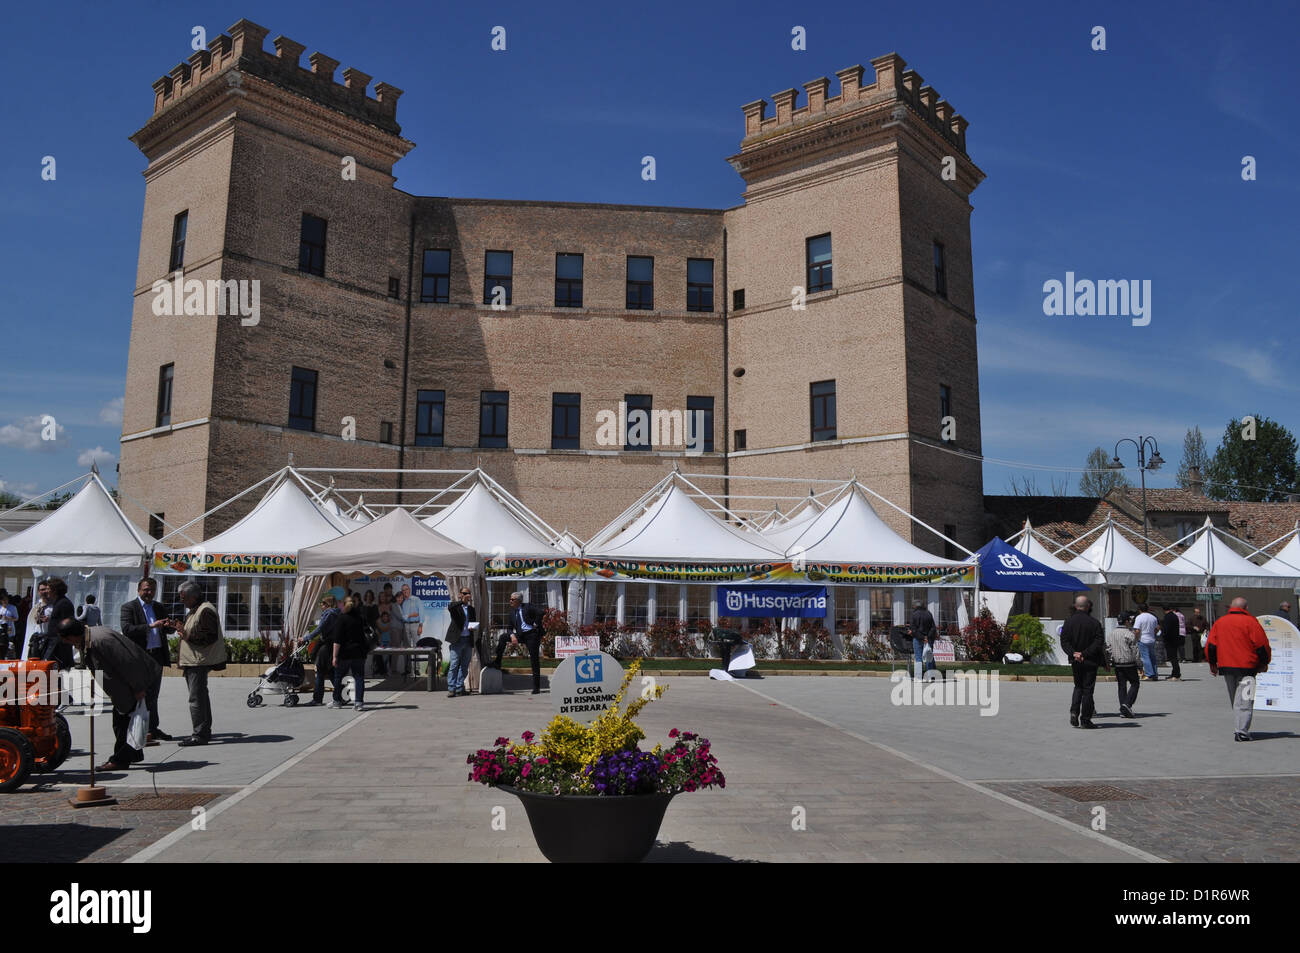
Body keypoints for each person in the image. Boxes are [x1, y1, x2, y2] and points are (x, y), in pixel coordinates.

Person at [57, 617, 161, 771]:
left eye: (65, 639)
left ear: (72, 636)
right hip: (126, 686)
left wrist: (139, 688)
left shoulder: (100, 640)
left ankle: (119, 760)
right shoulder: (88, 639)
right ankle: (134, 754)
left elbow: (127, 663)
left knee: (124, 723)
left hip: (141, 681)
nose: (65, 642)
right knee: (123, 721)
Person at [1207, 597, 1272, 742]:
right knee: (1245, 700)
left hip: (1226, 667)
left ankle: (1239, 728)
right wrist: (1264, 662)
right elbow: (1262, 645)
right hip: (1247, 668)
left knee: (1235, 700)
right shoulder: (1251, 622)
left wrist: (1212, 664)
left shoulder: (1220, 622)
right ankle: (1241, 731)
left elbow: (1211, 645)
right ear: (1246, 608)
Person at [120, 578, 177, 741]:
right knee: (140, 694)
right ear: (139, 590)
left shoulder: (158, 607)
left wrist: (170, 626)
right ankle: (138, 729)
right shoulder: (129, 607)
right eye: (146, 589)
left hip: (156, 656)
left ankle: (153, 728)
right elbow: (127, 629)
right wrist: (150, 626)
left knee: (154, 694)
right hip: (139, 657)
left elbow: (166, 631)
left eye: (152, 590)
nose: (149, 593)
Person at [175, 580, 227, 746]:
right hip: (193, 661)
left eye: (183, 597)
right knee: (200, 697)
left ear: (193, 596)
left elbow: (208, 637)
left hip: (198, 662)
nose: (181, 600)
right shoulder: (196, 610)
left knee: (196, 699)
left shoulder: (205, 610)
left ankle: (200, 733)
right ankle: (203, 730)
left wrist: (186, 634)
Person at [1059, 595, 1105, 728]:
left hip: (1075, 660)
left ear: (1075, 606)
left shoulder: (1068, 622)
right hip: (1090, 660)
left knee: (1078, 686)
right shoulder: (1094, 623)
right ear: (1088, 606)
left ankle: (1074, 711)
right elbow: (1098, 642)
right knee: (1088, 690)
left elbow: (1064, 641)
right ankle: (1085, 719)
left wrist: (1074, 653)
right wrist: (1085, 653)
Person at [495, 591, 544, 694]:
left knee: (534, 660)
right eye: (510, 599)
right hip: (521, 635)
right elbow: (509, 628)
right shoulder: (512, 612)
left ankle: (536, 687)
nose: (510, 601)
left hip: (531, 635)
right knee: (503, 637)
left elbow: (541, 612)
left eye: (512, 599)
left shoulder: (527, 607)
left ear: (518, 600)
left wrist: (535, 623)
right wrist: (512, 635)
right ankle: (497, 662)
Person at [331, 595, 369, 711]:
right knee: (359, 677)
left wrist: (334, 656)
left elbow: (337, 640)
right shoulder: (360, 618)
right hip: (358, 652)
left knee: (338, 676)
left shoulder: (341, 618)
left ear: (344, 604)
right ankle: (358, 703)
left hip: (344, 653)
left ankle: (337, 701)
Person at [307, 595, 342, 706]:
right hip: (332, 644)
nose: (321, 605)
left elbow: (320, 628)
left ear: (327, 604)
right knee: (330, 672)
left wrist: (306, 638)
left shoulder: (329, 614)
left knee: (321, 671)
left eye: (322, 603)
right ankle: (342, 695)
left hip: (327, 645)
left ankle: (317, 699)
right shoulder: (337, 613)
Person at [1106, 611, 1141, 718]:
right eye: (1129, 621)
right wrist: (1140, 664)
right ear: (1126, 621)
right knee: (1135, 683)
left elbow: (1109, 649)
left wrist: (1109, 661)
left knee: (1121, 685)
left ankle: (1123, 708)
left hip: (1117, 663)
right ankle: (1127, 704)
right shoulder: (1129, 634)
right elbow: (1135, 650)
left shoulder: (1111, 634)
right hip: (1129, 663)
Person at [445, 586, 477, 697]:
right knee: (454, 665)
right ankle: (451, 688)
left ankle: (459, 687)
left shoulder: (471, 609)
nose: (466, 595)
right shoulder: (455, 606)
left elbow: (473, 622)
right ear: (460, 594)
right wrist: (461, 601)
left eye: (468, 593)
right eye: (464, 593)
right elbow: (450, 607)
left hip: (468, 639)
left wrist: (473, 627)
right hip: (457, 640)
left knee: (464, 666)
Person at [909, 601, 937, 676]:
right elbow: (933, 628)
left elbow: (913, 629)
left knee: (918, 658)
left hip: (918, 639)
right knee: (929, 658)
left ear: (915, 606)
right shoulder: (929, 613)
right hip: (929, 639)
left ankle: (918, 676)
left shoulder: (914, 615)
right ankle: (930, 676)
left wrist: (921, 637)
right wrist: (927, 637)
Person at [1133, 604, 1159, 681]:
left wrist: (1136, 638)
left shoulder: (1139, 617)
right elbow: (1157, 628)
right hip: (1151, 639)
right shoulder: (1153, 617)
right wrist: (1153, 634)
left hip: (1143, 639)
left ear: (1139, 610)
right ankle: (1155, 674)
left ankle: (1149, 674)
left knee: (1145, 657)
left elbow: (1137, 630)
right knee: (1152, 657)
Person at [1160, 605, 1182, 681]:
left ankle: (1176, 674)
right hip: (1175, 639)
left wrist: (1163, 635)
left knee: (1173, 658)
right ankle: (1174, 673)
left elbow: (1166, 629)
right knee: (1174, 657)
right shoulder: (1174, 616)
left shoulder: (1167, 617)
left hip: (1169, 640)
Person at [0, 592, 18, 659]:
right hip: (1, 628)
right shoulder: (0, 607)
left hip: (9, 628)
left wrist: (8, 618)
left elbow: (16, 618)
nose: (5, 601)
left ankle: (9, 657)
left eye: (6, 600)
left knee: (10, 644)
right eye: (3, 600)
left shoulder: (12, 607)